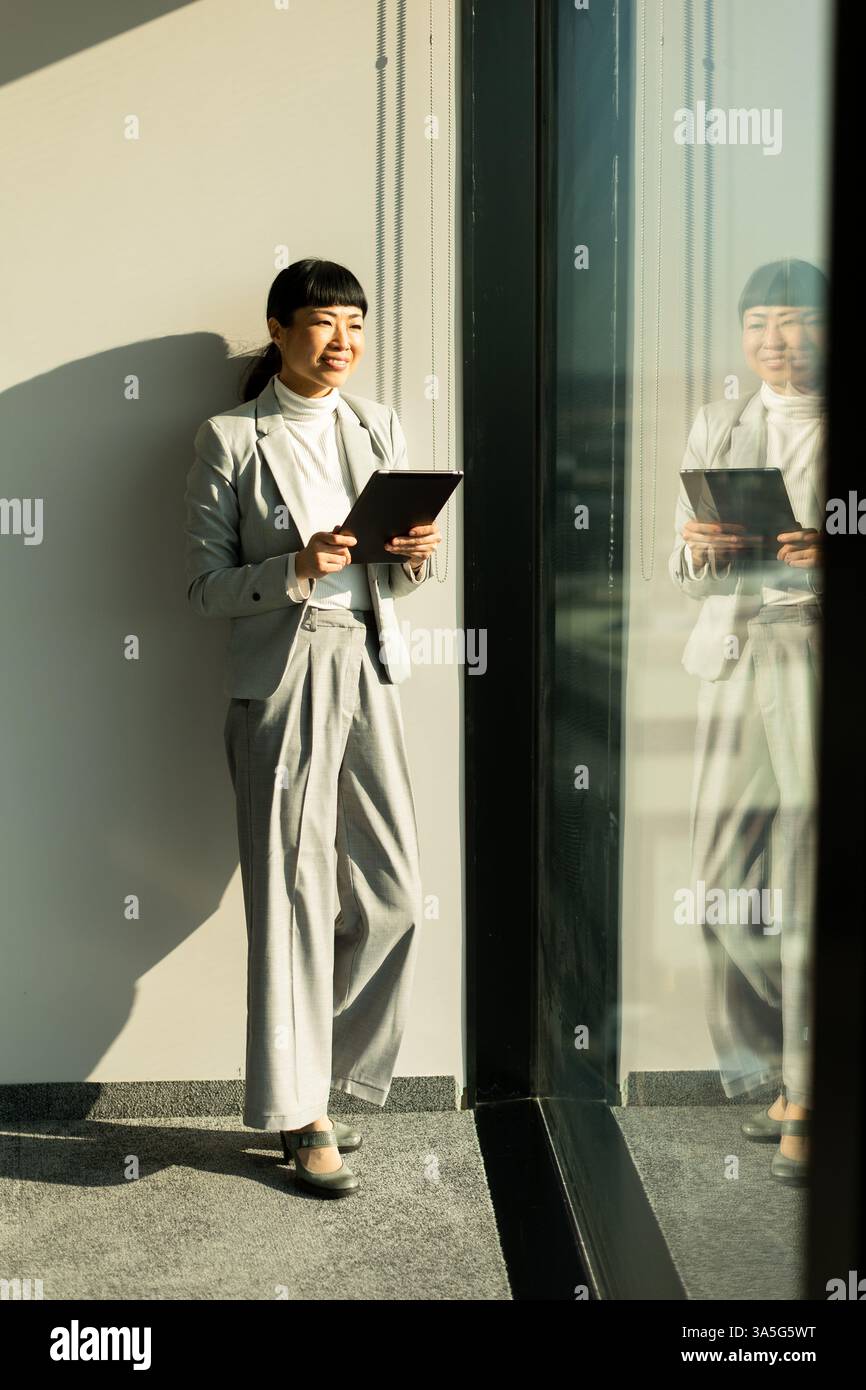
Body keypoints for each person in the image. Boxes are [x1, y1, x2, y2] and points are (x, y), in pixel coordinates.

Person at [184, 258, 441, 1197]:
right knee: (290, 898)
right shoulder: (229, 440)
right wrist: (297, 564)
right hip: (283, 675)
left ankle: (317, 1071)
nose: (344, 343)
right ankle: (301, 1114)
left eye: (357, 326)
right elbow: (203, 587)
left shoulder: (377, 425)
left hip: (368, 664)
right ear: (280, 329)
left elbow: (404, 576)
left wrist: (415, 556)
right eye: (325, 323)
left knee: (395, 897)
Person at [669, 259, 827, 1187]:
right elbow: (685, 568)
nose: (777, 340)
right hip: (731, 658)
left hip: (812, 658)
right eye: (760, 323)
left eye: (797, 321)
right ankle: (786, 1058)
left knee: (807, 878)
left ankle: (808, 1087)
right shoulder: (719, 422)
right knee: (719, 878)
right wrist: (700, 547)